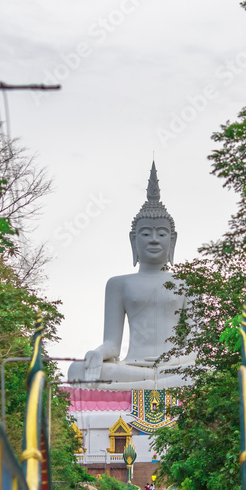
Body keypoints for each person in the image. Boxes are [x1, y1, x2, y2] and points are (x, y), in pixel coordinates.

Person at [69, 163, 196, 389]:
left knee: (207, 371)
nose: (154, 239)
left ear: (172, 240)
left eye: (162, 233)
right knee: (77, 370)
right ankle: (153, 382)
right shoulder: (119, 284)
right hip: (132, 366)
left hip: (176, 366)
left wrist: (173, 364)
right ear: (133, 239)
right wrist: (97, 353)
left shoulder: (187, 283)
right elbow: (112, 344)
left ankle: (150, 382)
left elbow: (196, 344)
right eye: (146, 233)